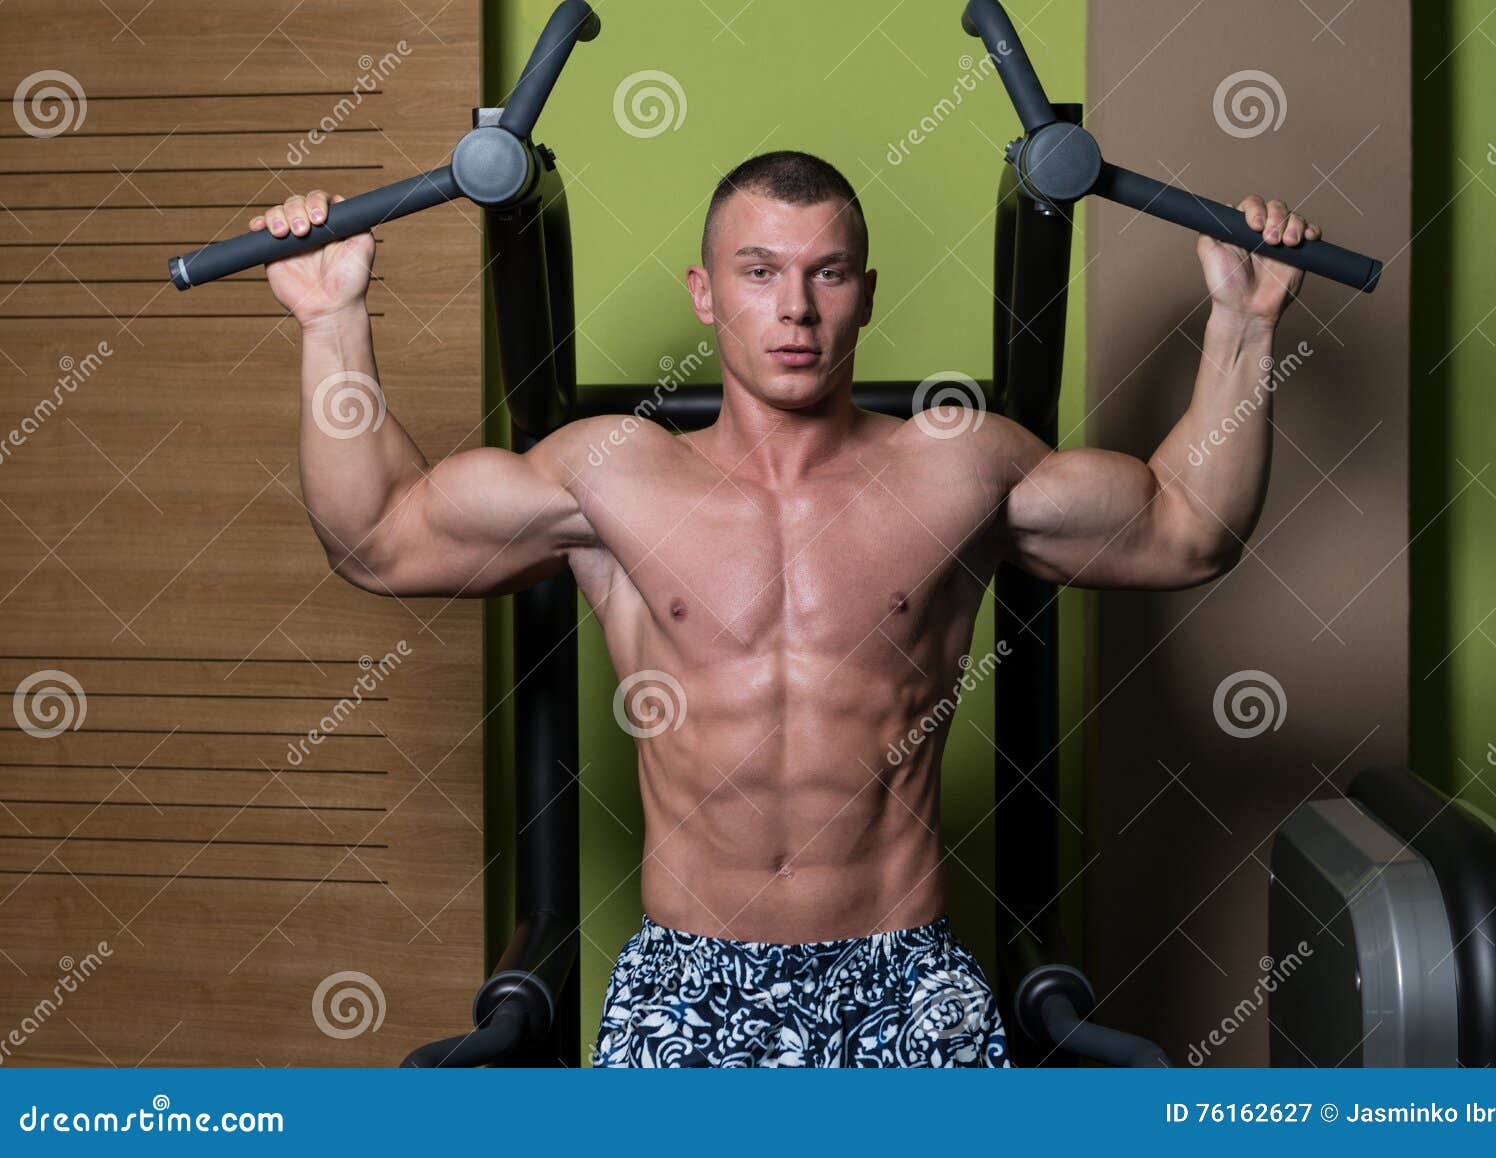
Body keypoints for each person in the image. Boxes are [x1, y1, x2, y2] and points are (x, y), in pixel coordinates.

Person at [251, 150, 1319, 1067]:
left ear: (866, 291)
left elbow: (1187, 530)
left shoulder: (955, 467)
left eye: (827, 273)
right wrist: (331, 317)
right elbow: (378, 539)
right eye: (759, 272)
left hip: (904, 975)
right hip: (688, 980)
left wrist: (1244, 321)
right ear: (705, 293)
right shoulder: (615, 474)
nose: (796, 308)